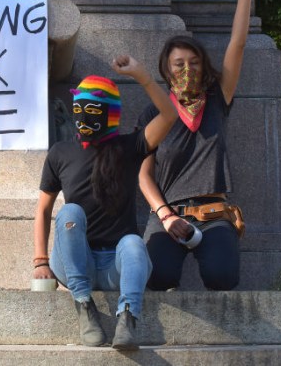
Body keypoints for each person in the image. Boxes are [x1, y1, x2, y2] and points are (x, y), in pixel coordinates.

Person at [33, 56, 177, 350]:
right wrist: (40, 261)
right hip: (76, 261)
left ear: (109, 113)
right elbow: (44, 209)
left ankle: (127, 318)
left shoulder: (129, 147)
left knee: (134, 242)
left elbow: (169, 115)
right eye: (79, 110)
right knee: (70, 211)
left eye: (93, 111)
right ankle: (84, 305)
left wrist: (142, 75)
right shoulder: (60, 152)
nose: (84, 118)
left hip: (117, 264)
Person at [138, 0, 256, 291]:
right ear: (166, 69)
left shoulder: (219, 98)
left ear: (204, 66)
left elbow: (238, 43)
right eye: (178, 64)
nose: (186, 69)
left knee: (222, 276)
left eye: (194, 62)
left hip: (214, 213)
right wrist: (165, 216)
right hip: (168, 213)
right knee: (156, 277)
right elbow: (143, 174)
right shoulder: (154, 113)